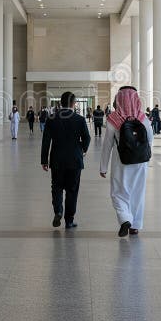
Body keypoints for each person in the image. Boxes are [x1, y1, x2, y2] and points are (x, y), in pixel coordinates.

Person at [100, 86, 153, 237]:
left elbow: (107, 145)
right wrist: (146, 158)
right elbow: (150, 140)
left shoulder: (113, 119)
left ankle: (124, 219)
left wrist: (103, 167)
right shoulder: (143, 118)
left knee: (118, 192)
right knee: (138, 192)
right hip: (140, 162)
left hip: (121, 162)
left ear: (119, 100)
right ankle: (135, 225)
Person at [41, 91, 91, 229]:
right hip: (75, 160)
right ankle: (69, 220)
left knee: (56, 187)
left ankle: (58, 211)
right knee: (72, 190)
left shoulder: (52, 118)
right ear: (74, 104)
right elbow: (87, 138)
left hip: (57, 160)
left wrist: (44, 160)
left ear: (60, 103)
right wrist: (82, 150)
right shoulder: (80, 119)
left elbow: (46, 141)